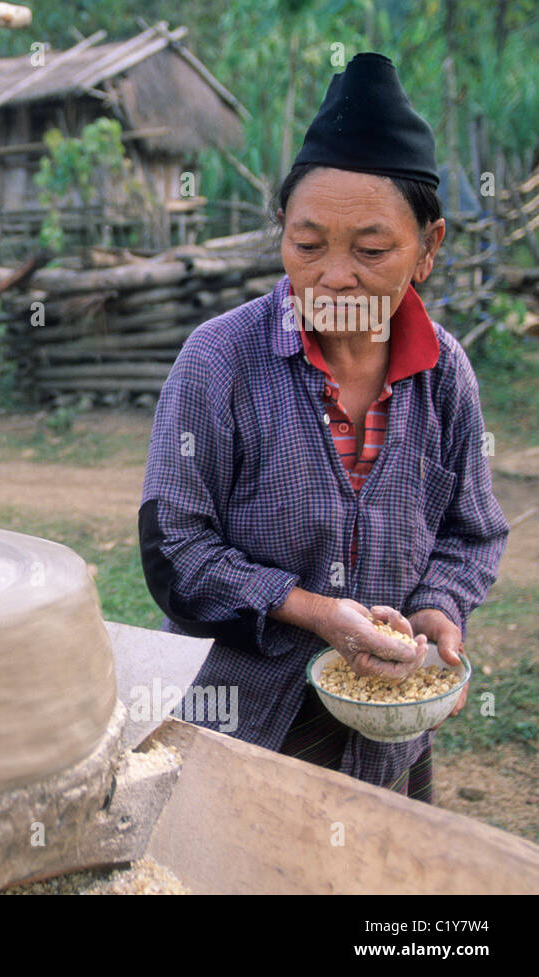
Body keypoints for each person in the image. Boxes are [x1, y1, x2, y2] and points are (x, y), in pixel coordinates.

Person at [138, 53, 507, 803]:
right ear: (282, 231)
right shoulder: (221, 362)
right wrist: (312, 612)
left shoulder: (444, 374)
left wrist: (438, 609)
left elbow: (470, 532)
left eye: (371, 251)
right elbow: (174, 550)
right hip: (241, 720)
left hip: (389, 728)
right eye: (308, 246)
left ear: (429, 248)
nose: (334, 275)